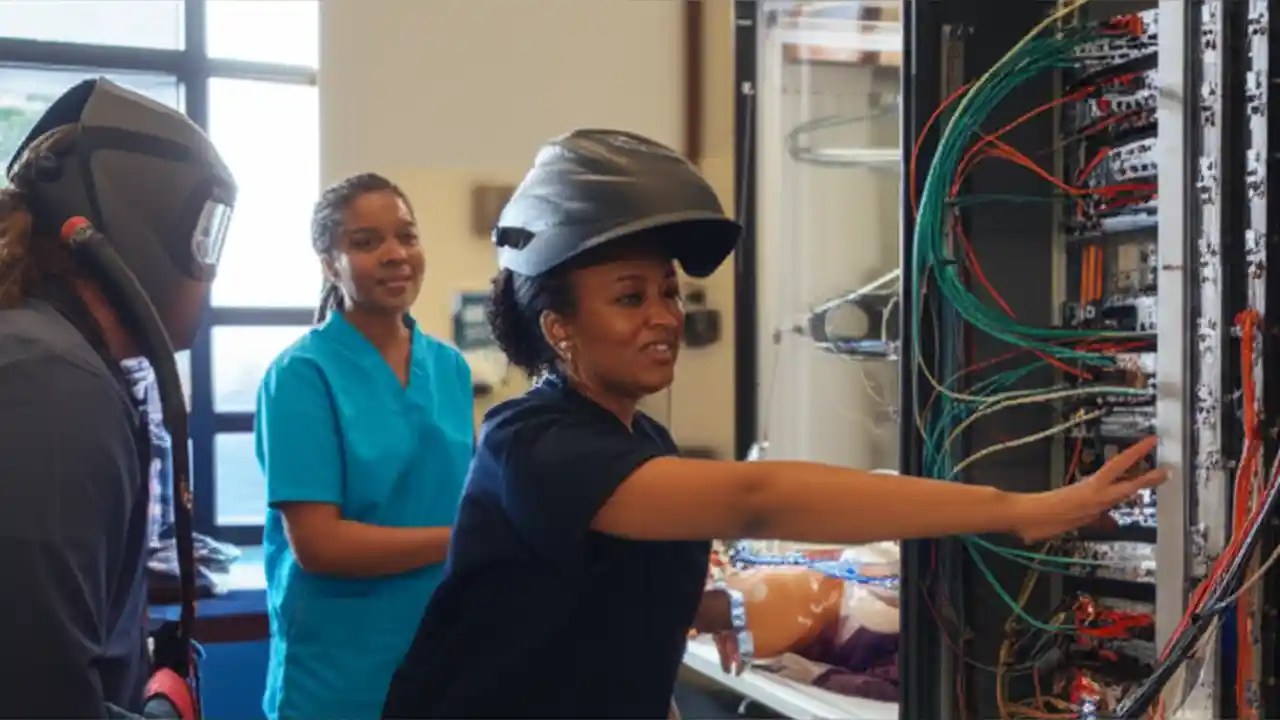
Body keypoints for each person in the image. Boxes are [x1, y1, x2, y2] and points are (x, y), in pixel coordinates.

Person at [380, 129, 1166, 719]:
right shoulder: (531, 443)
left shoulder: (637, 442)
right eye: (630, 297)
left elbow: (588, 586)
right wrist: (1015, 510)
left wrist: (705, 608)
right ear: (559, 327)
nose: (663, 317)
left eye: (667, 292)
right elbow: (757, 496)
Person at [0, 78, 236, 717]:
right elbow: (33, 699)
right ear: (148, 221)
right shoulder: (51, 383)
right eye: (207, 233)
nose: (211, 269)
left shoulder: (44, 356)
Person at [255, 173, 474, 720]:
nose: (396, 254)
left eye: (407, 235)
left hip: (443, 659)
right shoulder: (301, 376)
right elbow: (319, 545)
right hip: (337, 677)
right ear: (330, 263)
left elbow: (468, 497)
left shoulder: (449, 368)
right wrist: (465, 540)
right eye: (366, 242)